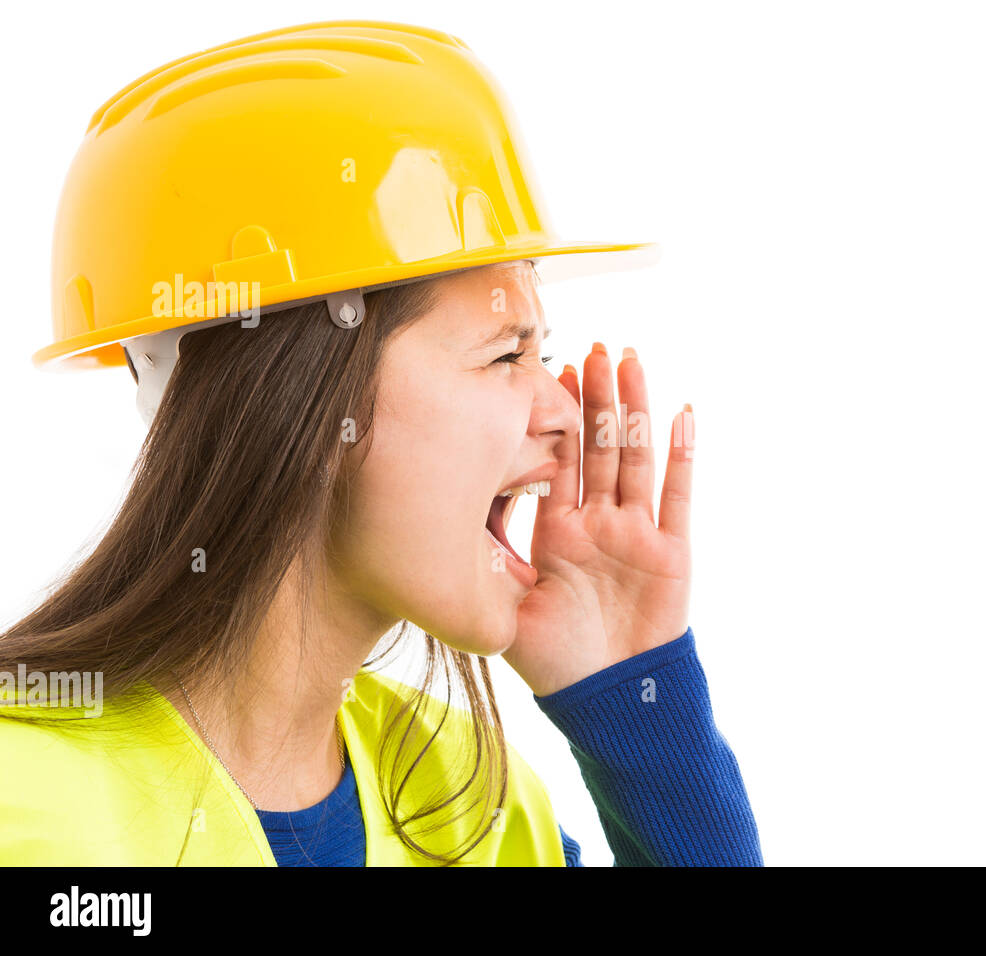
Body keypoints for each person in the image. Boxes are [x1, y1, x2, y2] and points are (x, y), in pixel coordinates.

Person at [0, 20, 761, 866]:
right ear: (305, 405)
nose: (565, 414)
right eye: (507, 353)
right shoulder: (23, 803)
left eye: (541, 353)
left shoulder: (471, 799)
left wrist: (636, 699)